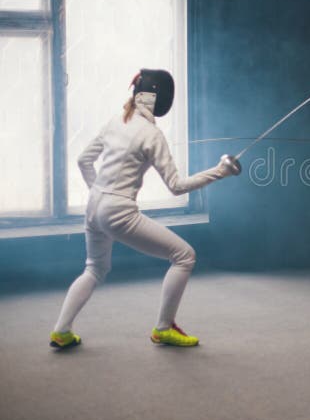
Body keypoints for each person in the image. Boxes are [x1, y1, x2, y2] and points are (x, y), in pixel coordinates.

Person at [50, 69, 239, 349]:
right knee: (184, 256)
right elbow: (176, 185)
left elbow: (83, 161)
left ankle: (61, 331)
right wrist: (220, 172)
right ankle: (163, 328)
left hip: (94, 206)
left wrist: (100, 194)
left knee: (94, 268)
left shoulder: (117, 120)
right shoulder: (151, 134)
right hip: (117, 211)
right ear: (158, 98)